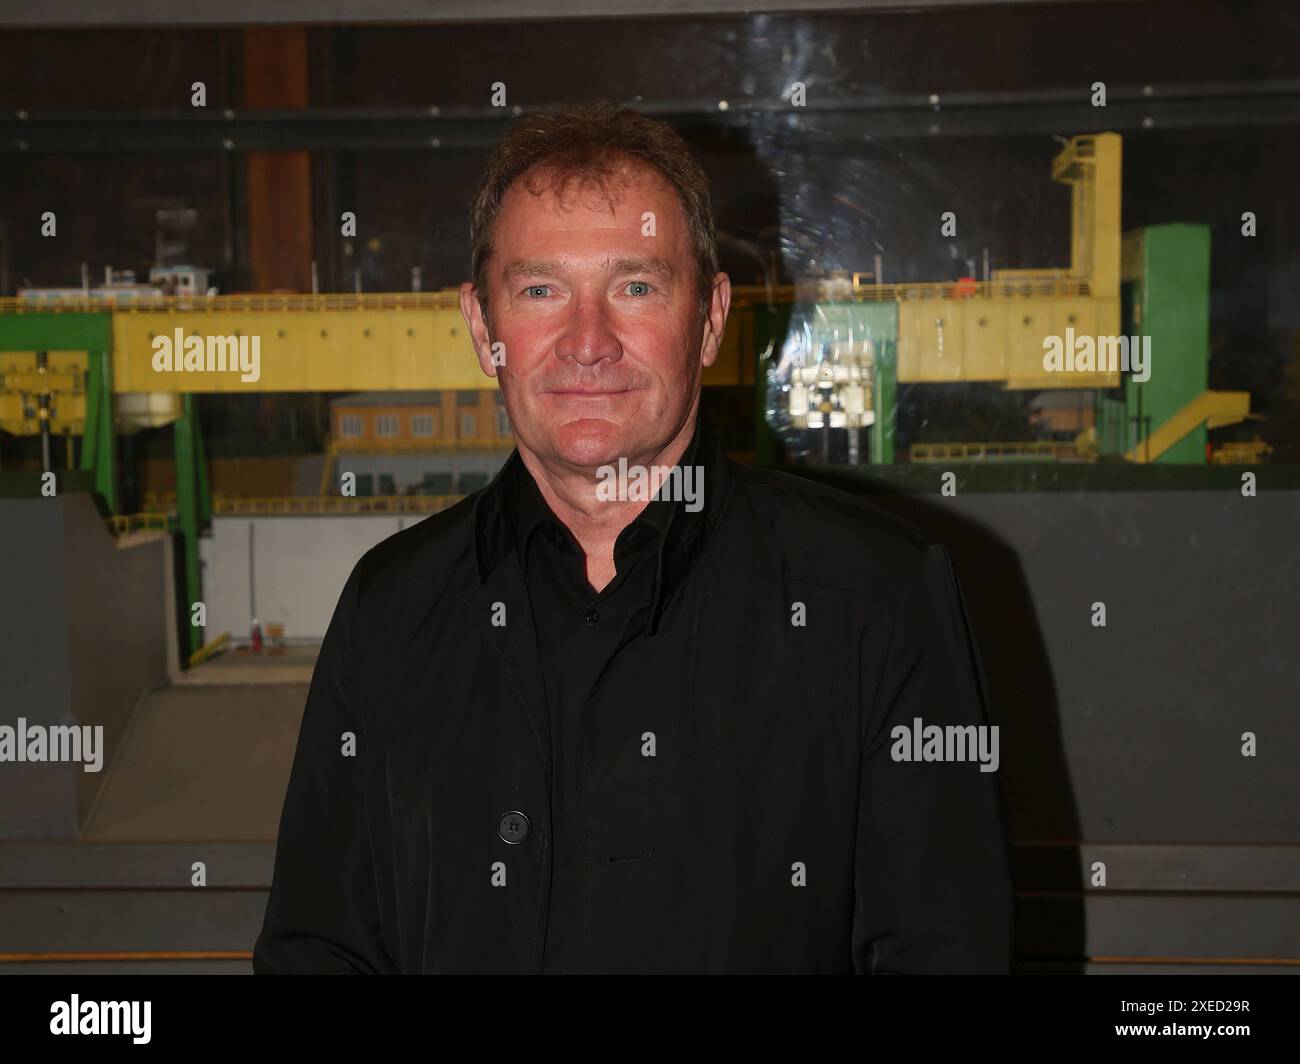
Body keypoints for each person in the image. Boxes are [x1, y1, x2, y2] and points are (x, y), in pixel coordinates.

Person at [254, 101, 1014, 974]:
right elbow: (319, 952)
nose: (588, 342)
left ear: (712, 315)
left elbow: (947, 954)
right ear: (481, 326)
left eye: (636, 287)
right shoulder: (389, 607)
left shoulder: (877, 597)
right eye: (541, 290)